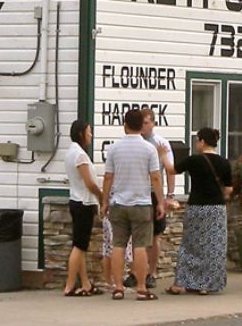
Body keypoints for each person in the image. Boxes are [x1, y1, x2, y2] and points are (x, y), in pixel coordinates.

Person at [102, 108, 164, 301]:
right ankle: (141, 287)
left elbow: (108, 177)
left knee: (118, 244)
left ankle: (118, 287)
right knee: (140, 245)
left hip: (119, 202)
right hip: (142, 202)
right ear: (141, 126)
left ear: (125, 125)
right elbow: (155, 176)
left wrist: (104, 201)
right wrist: (161, 202)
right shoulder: (149, 149)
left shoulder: (114, 148)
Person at [167, 127, 232, 295]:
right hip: (217, 209)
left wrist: (163, 155)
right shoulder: (224, 162)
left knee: (190, 245)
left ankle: (183, 282)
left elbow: (172, 170)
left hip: (196, 206)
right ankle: (207, 284)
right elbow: (229, 189)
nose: (196, 143)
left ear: (203, 141)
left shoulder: (194, 161)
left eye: (197, 140)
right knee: (213, 247)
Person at [62, 120, 104, 296]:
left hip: (76, 200)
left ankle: (85, 283)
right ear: (81, 134)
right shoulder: (80, 155)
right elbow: (89, 183)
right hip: (84, 203)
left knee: (82, 245)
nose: (91, 135)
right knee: (79, 245)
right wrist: (102, 196)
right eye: (89, 132)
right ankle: (70, 285)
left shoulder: (71, 152)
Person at [138, 107, 177, 291]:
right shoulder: (135, 141)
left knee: (154, 236)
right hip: (137, 192)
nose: (144, 126)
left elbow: (170, 171)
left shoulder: (161, 143)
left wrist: (169, 195)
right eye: (141, 122)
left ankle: (152, 272)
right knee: (137, 236)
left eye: (146, 122)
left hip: (154, 194)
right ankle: (137, 272)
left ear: (153, 123)